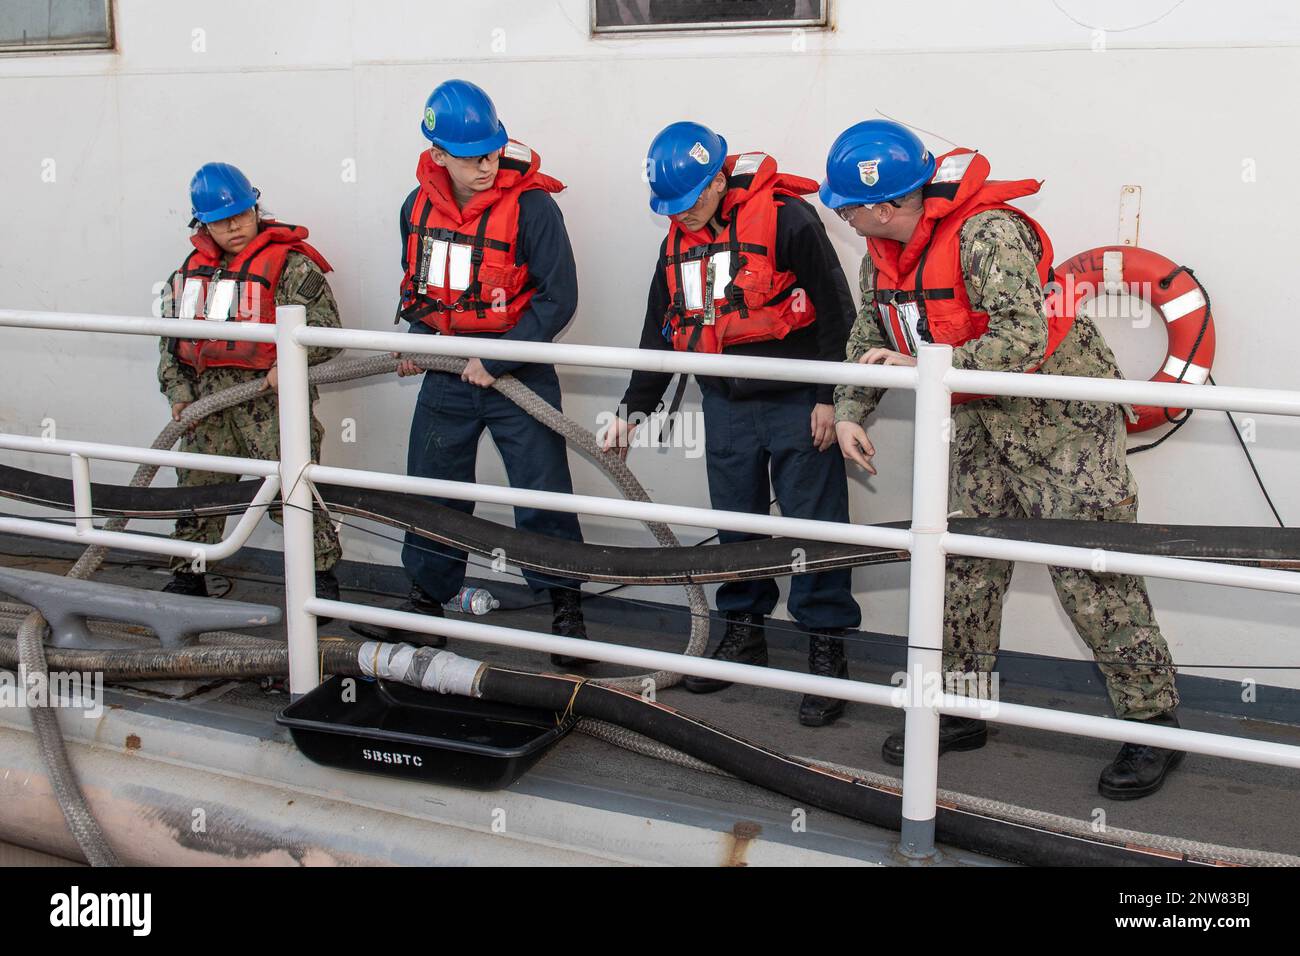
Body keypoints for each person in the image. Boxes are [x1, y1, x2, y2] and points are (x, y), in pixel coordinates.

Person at [822, 119, 1182, 799]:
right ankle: (961, 709)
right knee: (965, 571)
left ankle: (1153, 725)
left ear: (887, 204)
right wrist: (849, 409)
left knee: (1093, 576)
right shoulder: (882, 256)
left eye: (848, 207)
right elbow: (869, 334)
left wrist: (920, 363)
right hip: (977, 428)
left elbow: (1021, 338)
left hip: (1061, 428)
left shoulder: (987, 235)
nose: (843, 217)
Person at [602, 121, 861, 726]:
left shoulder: (790, 219)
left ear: (718, 180)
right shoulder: (676, 241)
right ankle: (744, 629)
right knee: (734, 525)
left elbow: (838, 313)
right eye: (671, 207)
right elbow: (659, 330)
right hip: (724, 406)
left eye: (690, 201)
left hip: (800, 401)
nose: (683, 216)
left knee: (814, 527)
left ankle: (828, 654)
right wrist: (632, 411)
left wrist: (831, 396)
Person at [348, 79, 591, 666]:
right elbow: (423, 290)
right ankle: (427, 605)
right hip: (446, 373)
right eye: (471, 156)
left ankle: (565, 611)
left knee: (542, 493)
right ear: (437, 157)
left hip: (519, 376)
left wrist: (500, 357)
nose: (486, 165)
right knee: (434, 488)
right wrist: (417, 341)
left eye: (492, 151)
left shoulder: (534, 207)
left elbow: (558, 299)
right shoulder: (416, 208)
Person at [157, 162, 343, 613]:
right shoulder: (189, 272)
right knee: (199, 490)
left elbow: (327, 330)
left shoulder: (291, 266)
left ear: (256, 208)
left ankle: (319, 580)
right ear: (203, 224)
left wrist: (289, 362)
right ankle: (189, 577)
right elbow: (171, 337)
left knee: (293, 490)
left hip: (271, 403)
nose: (234, 226)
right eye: (221, 221)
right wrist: (177, 391)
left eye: (242, 214)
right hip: (208, 405)